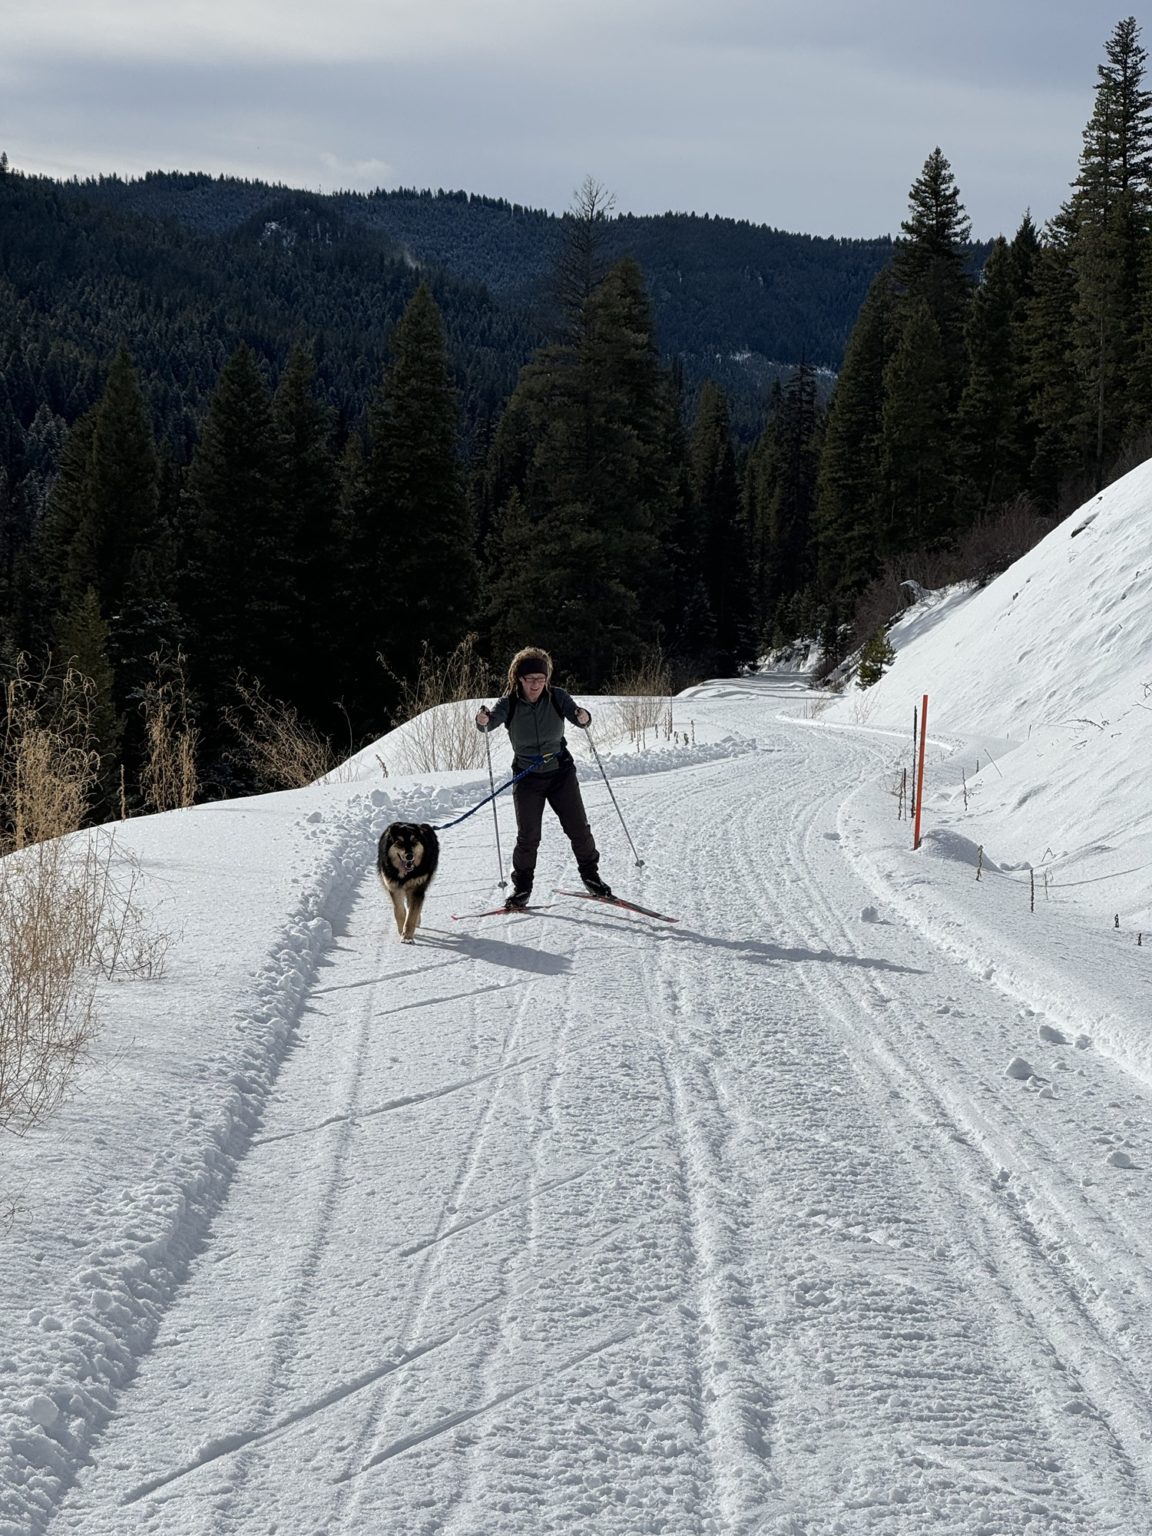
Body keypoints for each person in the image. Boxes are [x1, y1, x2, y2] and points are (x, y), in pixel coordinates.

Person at [475, 646, 612, 909]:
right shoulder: (510, 703)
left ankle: (591, 877)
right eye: (530, 679)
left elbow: (579, 718)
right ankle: (522, 889)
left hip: (560, 773)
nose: (536, 684)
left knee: (578, 829)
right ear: (520, 679)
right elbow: (488, 723)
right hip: (527, 778)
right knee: (528, 837)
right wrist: (482, 719)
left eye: (541, 678)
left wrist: (584, 716)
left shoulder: (558, 697)